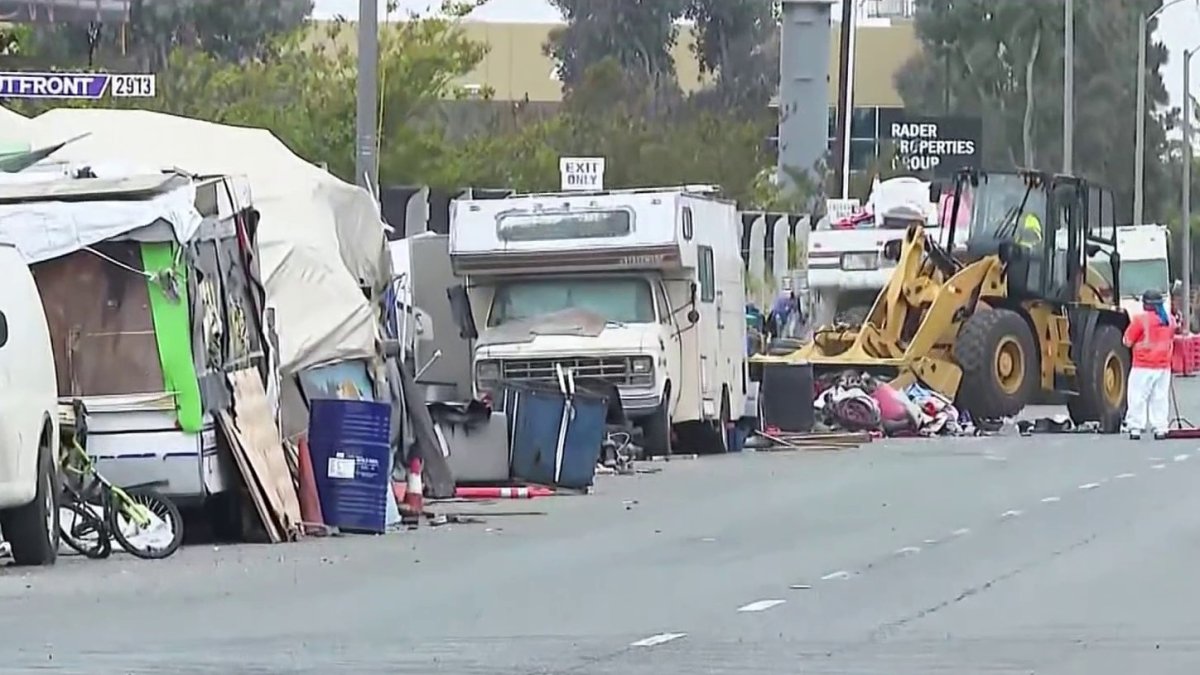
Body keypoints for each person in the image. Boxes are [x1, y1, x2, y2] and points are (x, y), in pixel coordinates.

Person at [1123, 289, 1176, 440]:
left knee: (1137, 397)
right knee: (1160, 398)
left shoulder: (1140, 320)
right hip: (1163, 366)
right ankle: (1160, 428)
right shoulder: (1169, 320)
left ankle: (1135, 428)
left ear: (1146, 304)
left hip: (1142, 365)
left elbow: (1127, 341)